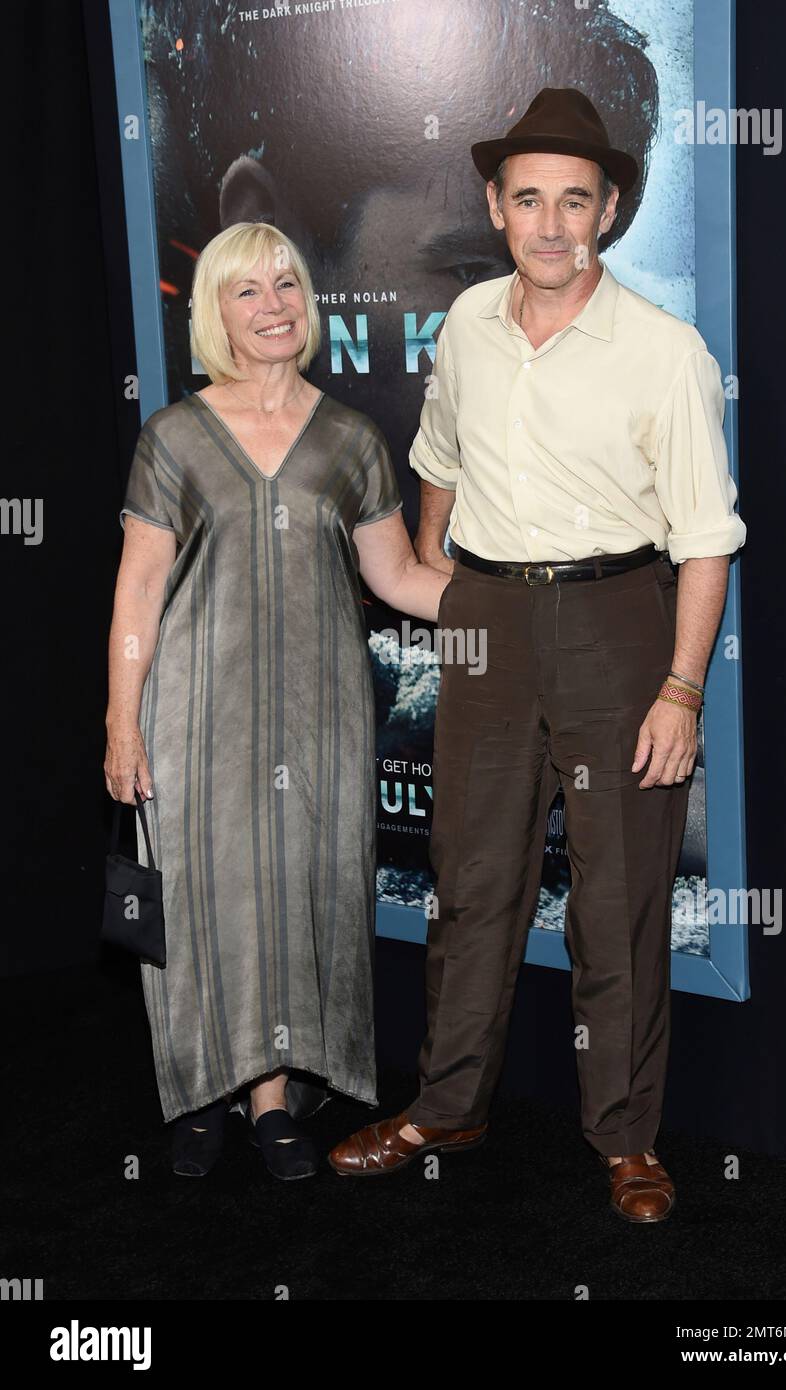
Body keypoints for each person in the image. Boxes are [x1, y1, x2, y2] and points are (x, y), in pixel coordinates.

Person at [328, 89, 746, 1221]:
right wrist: (431, 567)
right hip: (486, 623)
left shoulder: (665, 352)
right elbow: (438, 450)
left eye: (574, 199)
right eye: (528, 199)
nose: (550, 223)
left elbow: (706, 541)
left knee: (615, 901)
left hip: (620, 624)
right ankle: (444, 1108)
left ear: (607, 210)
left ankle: (625, 1143)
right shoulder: (464, 323)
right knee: (468, 885)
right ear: (494, 205)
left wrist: (676, 688)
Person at [104, 222, 449, 1180]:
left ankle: (273, 1096)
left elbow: (403, 579)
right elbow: (136, 593)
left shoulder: (350, 439)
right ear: (215, 312)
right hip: (193, 711)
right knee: (208, 893)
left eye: (288, 284)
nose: (274, 306)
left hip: (319, 713)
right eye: (247, 291)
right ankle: (204, 1089)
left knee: (302, 890)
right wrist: (119, 721)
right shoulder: (172, 437)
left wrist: (519, 591)